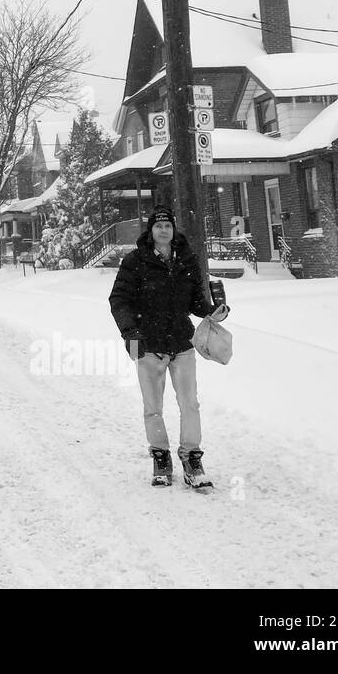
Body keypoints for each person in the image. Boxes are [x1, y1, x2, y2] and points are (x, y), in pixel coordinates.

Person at [108, 206, 228, 489]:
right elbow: (119, 300)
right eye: (158, 225)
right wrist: (131, 332)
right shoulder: (135, 261)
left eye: (168, 225)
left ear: (174, 230)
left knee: (190, 404)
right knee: (153, 407)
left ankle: (192, 458)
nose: (164, 229)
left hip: (181, 342)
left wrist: (213, 310)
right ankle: (160, 457)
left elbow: (196, 302)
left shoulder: (186, 259)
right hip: (146, 342)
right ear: (150, 231)